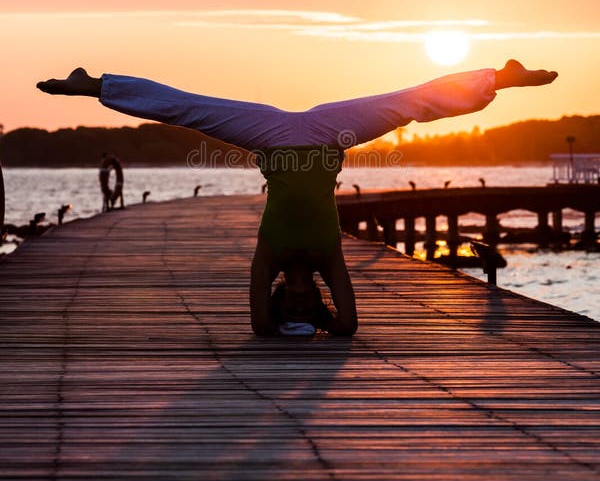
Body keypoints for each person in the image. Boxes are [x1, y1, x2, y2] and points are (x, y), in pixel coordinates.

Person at [37, 59, 557, 337]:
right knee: (409, 103)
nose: (307, 302)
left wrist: (283, 326)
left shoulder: (272, 255)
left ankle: (97, 85)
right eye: (314, 309)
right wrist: (325, 324)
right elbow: (349, 325)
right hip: (331, 132)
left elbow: (260, 327)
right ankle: (501, 79)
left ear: (284, 294)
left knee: (187, 108)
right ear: (320, 303)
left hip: (271, 134)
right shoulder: (327, 255)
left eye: (297, 307)